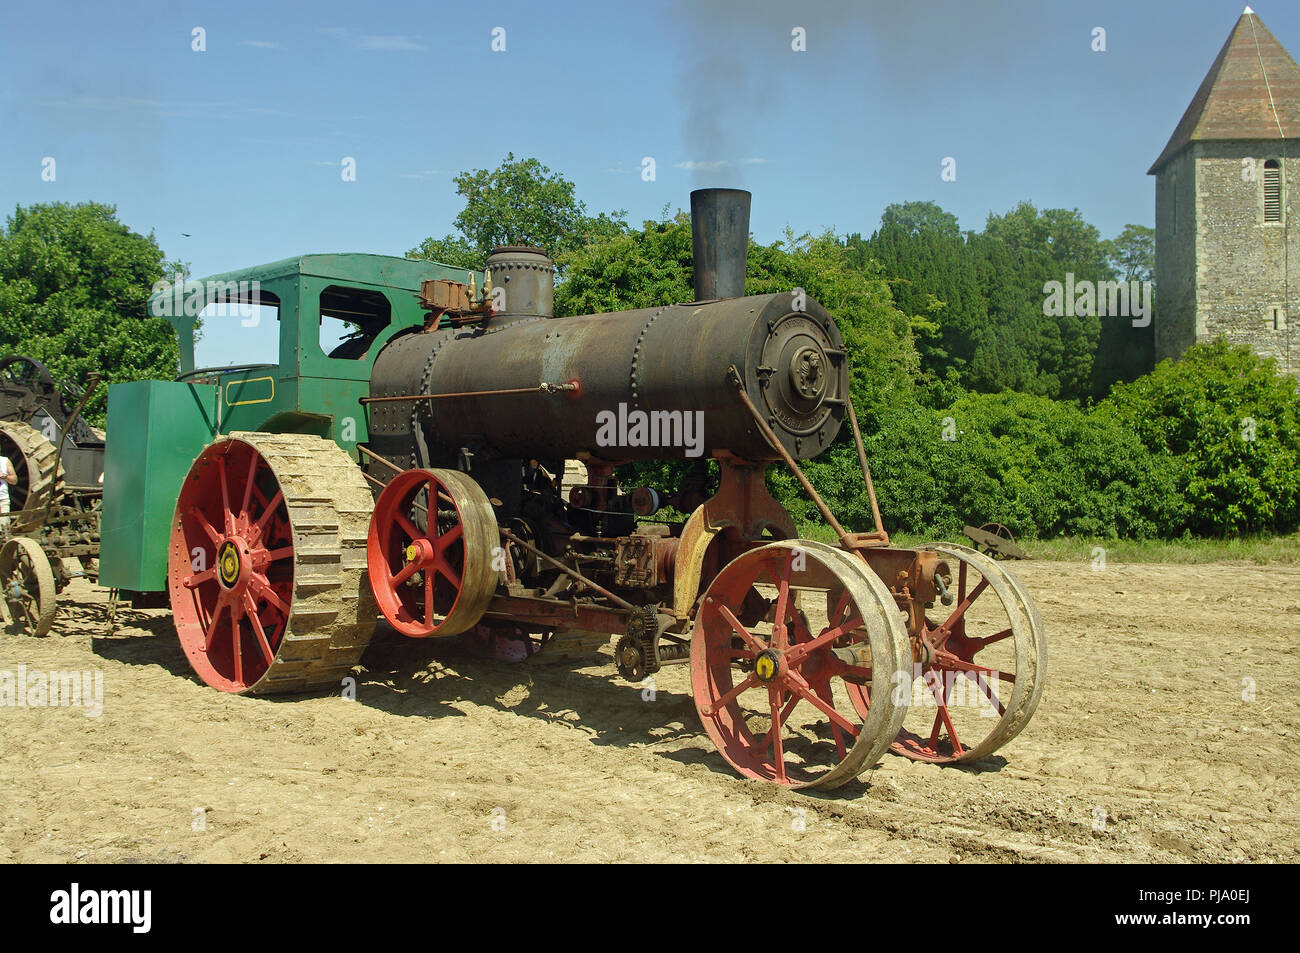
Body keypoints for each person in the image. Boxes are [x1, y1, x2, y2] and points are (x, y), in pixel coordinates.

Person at [0, 453, 16, 532]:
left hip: (2, 500)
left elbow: (14, 481)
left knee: (4, 529)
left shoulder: (4, 461)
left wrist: (4, 476)